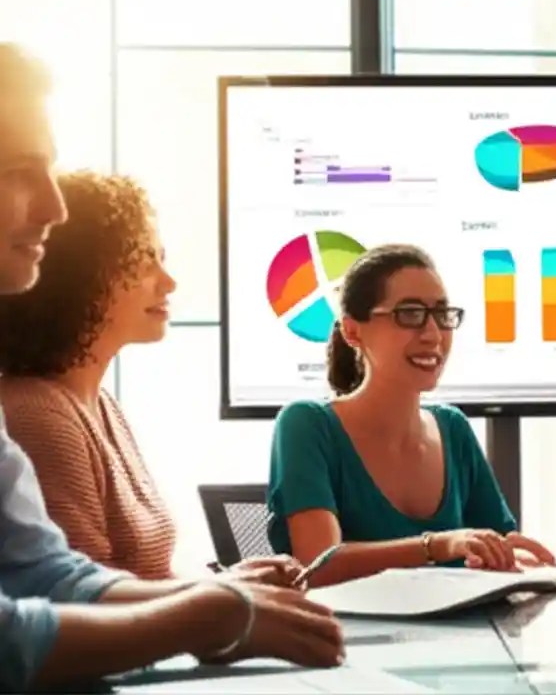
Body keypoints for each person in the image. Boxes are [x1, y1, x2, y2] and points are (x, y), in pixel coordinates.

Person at [0, 42, 343, 692]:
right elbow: (24, 632)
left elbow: (51, 576)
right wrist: (207, 610)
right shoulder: (38, 414)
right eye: (20, 170)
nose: (54, 207)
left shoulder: (91, 406)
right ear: (91, 279)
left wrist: (211, 598)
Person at [267, 243, 556, 588]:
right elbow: (318, 565)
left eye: (442, 314)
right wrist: (437, 545)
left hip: (462, 637)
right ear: (353, 331)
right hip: (346, 638)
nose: (433, 334)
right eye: (409, 314)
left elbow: (496, 546)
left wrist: (527, 561)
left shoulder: (453, 428)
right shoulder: (307, 424)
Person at [0, 171, 179, 579]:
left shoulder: (97, 402)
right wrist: (229, 605)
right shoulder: (38, 417)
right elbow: (89, 605)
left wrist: (234, 586)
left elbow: (141, 581)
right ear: (83, 277)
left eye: (162, 259)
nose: (168, 282)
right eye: (143, 261)